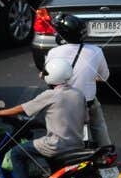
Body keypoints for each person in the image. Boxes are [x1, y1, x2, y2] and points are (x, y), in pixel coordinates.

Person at [0, 51, 88, 178]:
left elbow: (23, 108)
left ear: (52, 76)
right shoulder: (78, 94)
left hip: (55, 144)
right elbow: (85, 119)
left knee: (16, 153)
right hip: (77, 144)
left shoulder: (50, 95)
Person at [47, 13, 111, 147]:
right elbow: (104, 77)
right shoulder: (96, 51)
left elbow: (49, 79)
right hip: (88, 101)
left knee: (53, 122)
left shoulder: (53, 52)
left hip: (63, 102)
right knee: (98, 125)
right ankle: (107, 151)